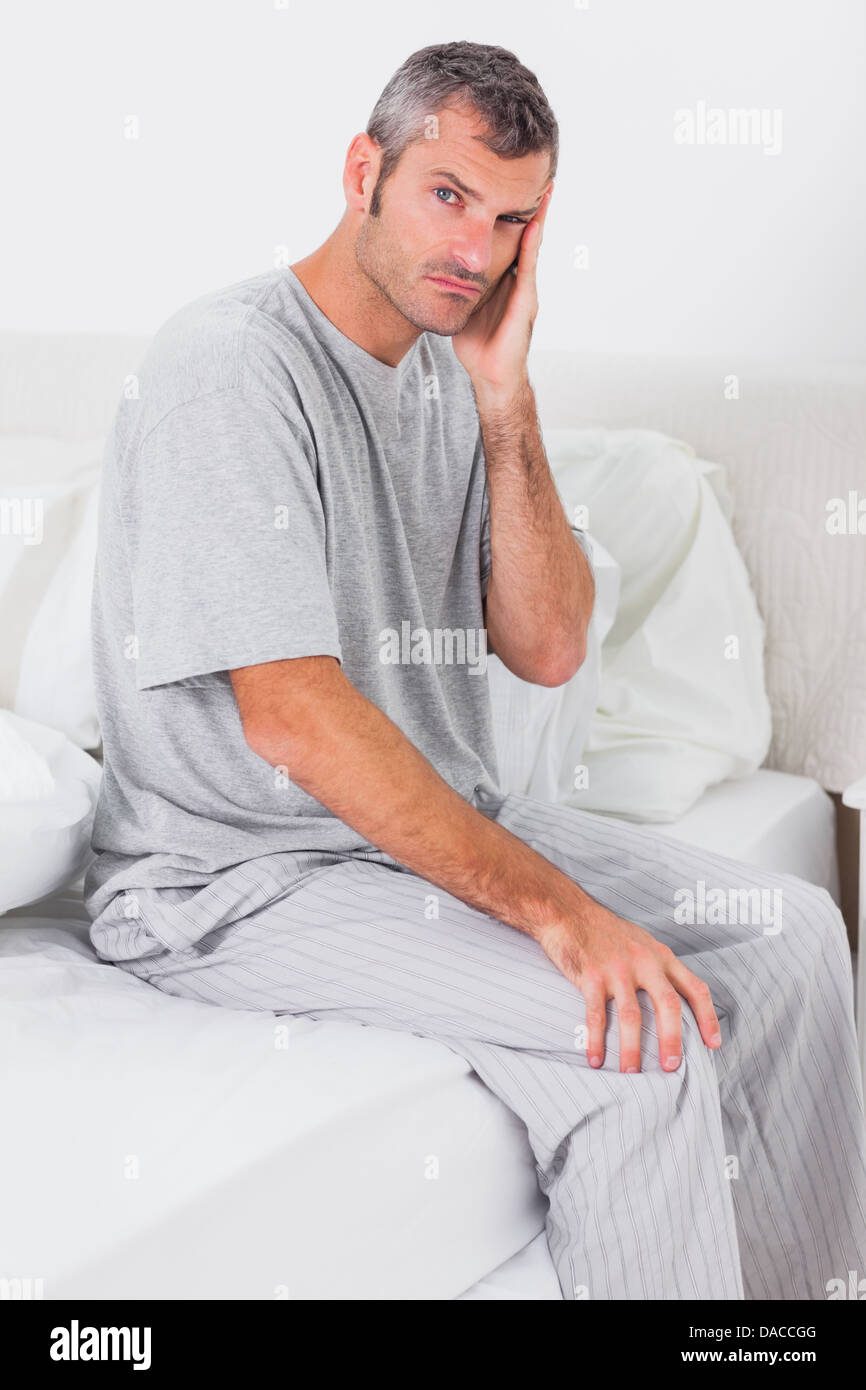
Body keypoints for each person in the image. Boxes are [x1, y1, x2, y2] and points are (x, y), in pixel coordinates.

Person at [84, 40, 866, 1300]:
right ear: (363, 170)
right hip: (230, 880)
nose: (476, 247)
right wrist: (565, 917)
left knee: (789, 935)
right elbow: (293, 716)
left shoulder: (448, 375)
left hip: (421, 835)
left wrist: (503, 395)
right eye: (447, 194)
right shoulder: (228, 366)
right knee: (642, 1044)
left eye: (510, 218)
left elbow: (548, 647)